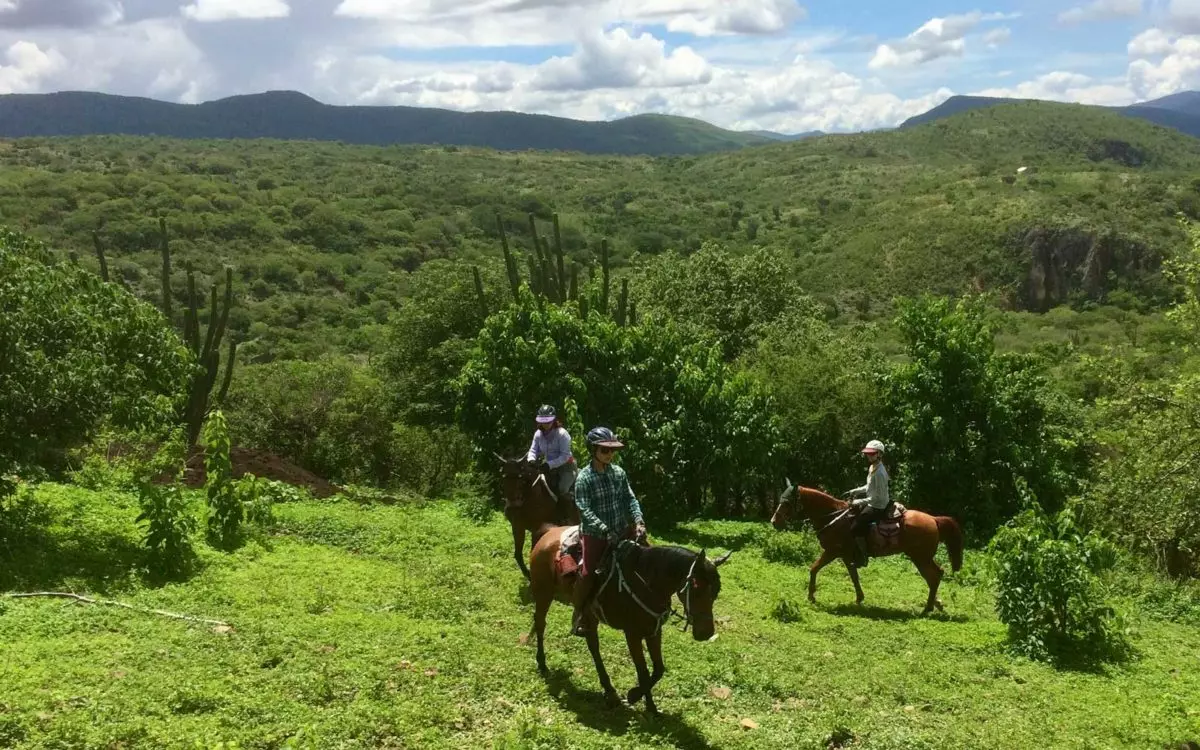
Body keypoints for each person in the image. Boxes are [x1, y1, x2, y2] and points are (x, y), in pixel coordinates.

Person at [569, 426, 646, 637]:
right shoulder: (584, 478)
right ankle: (581, 613)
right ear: (593, 450)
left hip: (622, 529)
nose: (610, 454)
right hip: (596, 535)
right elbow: (584, 509)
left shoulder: (619, 473)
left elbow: (629, 498)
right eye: (604, 450)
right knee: (587, 573)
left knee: (650, 558)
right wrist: (604, 530)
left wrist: (638, 520)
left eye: (612, 451)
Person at [842, 439, 892, 568]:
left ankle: (863, 557)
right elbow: (869, 487)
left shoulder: (880, 473)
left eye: (872, 453)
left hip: (878, 505)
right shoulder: (873, 467)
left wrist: (858, 501)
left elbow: (877, 496)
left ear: (879, 454)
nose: (868, 456)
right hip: (873, 501)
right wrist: (854, 491)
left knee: (855, 527)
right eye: (868, 453)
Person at [525, 404, 576, 523]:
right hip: (547, 466)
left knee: (562, 489)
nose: (545, 424)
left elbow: (565, 456)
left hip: (566, 467)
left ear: (554, 420)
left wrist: (549, 464)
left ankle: (567, 517)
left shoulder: (562, 434)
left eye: (548, 421)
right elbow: (533, 450)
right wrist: (531, 459)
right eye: (543, 421)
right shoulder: (538, 434)